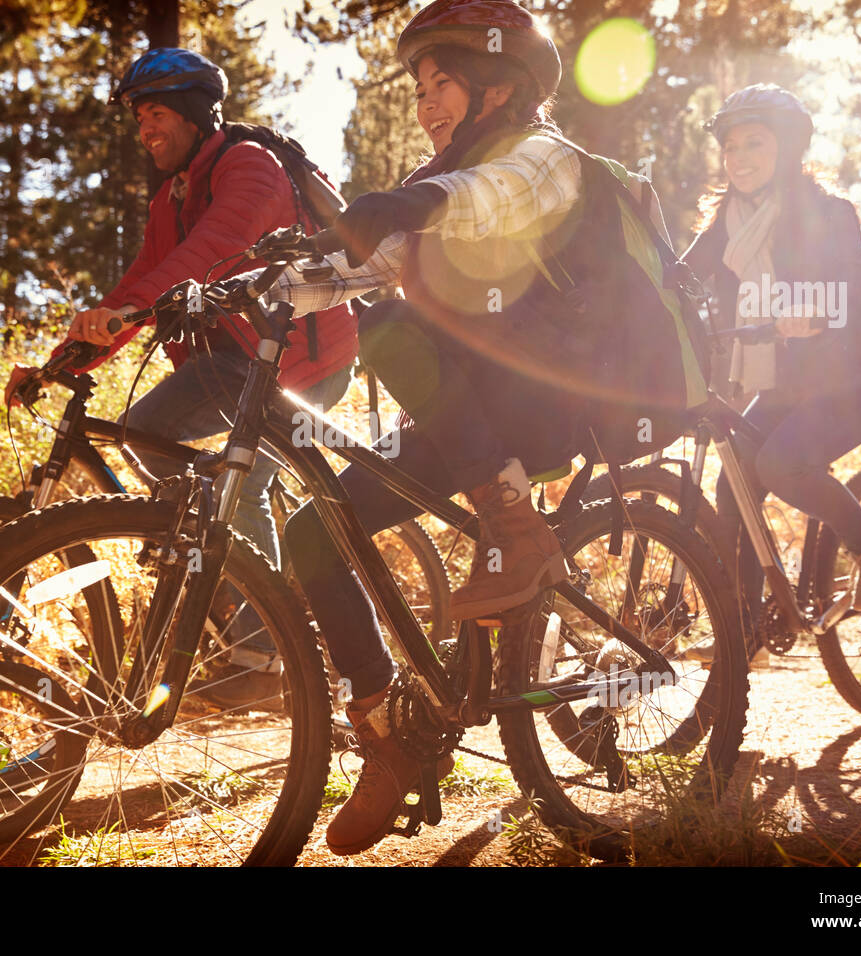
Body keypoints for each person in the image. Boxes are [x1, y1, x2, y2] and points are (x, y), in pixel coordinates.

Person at [233, 0, 634, 854]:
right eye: (417, 90)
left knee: (389, 326)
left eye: (441, 83)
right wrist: (250, 288)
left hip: (546, 400)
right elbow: (362, 265)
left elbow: (488, 200)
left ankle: (517, 527)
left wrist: (404, 202)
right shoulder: (437, 185)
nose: (425, 103)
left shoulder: (543, 157)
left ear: (499, 84)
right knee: (314, 533)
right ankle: (390, 736)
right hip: (465, 418)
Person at [5, 49, 357, 706]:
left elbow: (215, 248)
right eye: (139, 119)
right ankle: (217, 559)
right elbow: (138, 284)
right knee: (148, 438)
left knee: (232, 483)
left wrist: (131, 309)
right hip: (232, 364)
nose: (146, 130)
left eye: (157, 114)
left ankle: (262, 653)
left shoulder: (249, 165)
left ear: (196, 114)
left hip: (303, 358)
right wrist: (62, 360)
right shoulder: (169, 200)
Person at [684, 84, 861, 633]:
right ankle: (747, 626)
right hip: (789, 385)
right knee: (734, 484)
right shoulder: (728, 223)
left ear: (787, 148)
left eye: (754, 144)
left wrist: (813, 311)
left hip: (857, 379)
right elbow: (680, 278)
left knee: (781, 464)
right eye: (731, 148)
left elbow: (850, 287)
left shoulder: (830, 213)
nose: (738, 159)